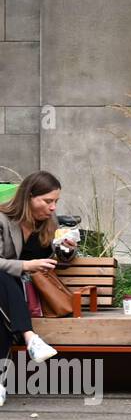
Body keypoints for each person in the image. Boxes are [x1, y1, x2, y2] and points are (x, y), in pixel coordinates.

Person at [0, 171, 64, 406]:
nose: (53, 208)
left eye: (56, 201)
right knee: (2, 274)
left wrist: (66, 249)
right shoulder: (2, 220)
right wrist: (25, 265)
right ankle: (30, 338)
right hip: (8, 291)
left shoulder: (48, 224)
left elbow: (52, 261)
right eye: (48, 201)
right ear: (28, 197)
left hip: (18, 299)